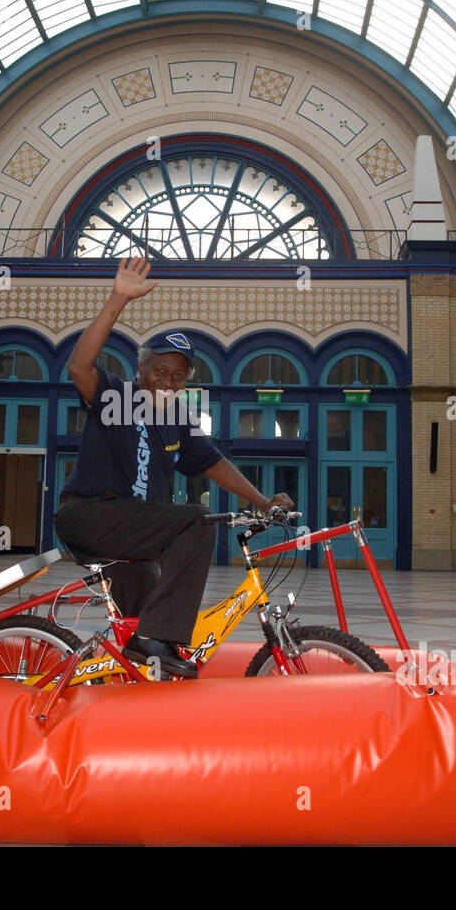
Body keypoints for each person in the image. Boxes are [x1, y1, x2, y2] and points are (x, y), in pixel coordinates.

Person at [54, 256, 294, 678]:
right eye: (160, 370)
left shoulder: (178, 418)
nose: (168, 381)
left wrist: (261, 501)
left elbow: (213, 463)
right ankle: (157, 639)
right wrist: (118, 299)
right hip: (90, 515)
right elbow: (79, 367)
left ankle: (142, 664)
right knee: (198, 522)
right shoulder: (116, 397)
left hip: (132, 543)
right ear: (141, 369)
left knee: (149, 640)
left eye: (178, 377)